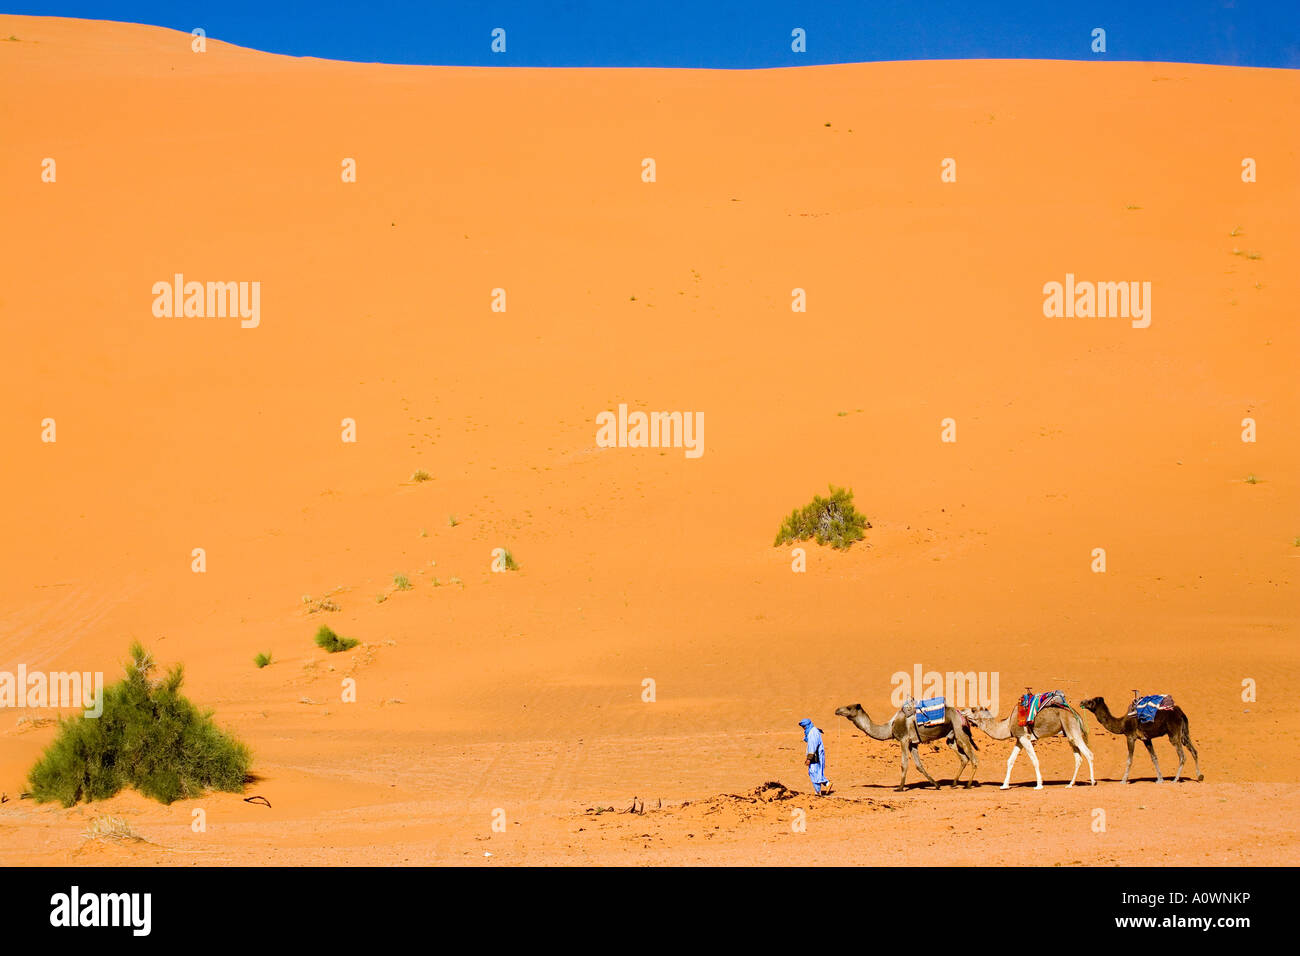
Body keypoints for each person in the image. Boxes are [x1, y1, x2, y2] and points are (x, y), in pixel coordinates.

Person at [798, 718, 831, 795]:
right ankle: (826, 784)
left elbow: (813, 746)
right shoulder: (812, 731)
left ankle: (818, 791)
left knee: (813, 772)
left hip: (815, 755)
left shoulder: (812, 732)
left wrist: (809, 758)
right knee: (815, 772)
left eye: (804, 726)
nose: (803, 728)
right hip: (815, 754)